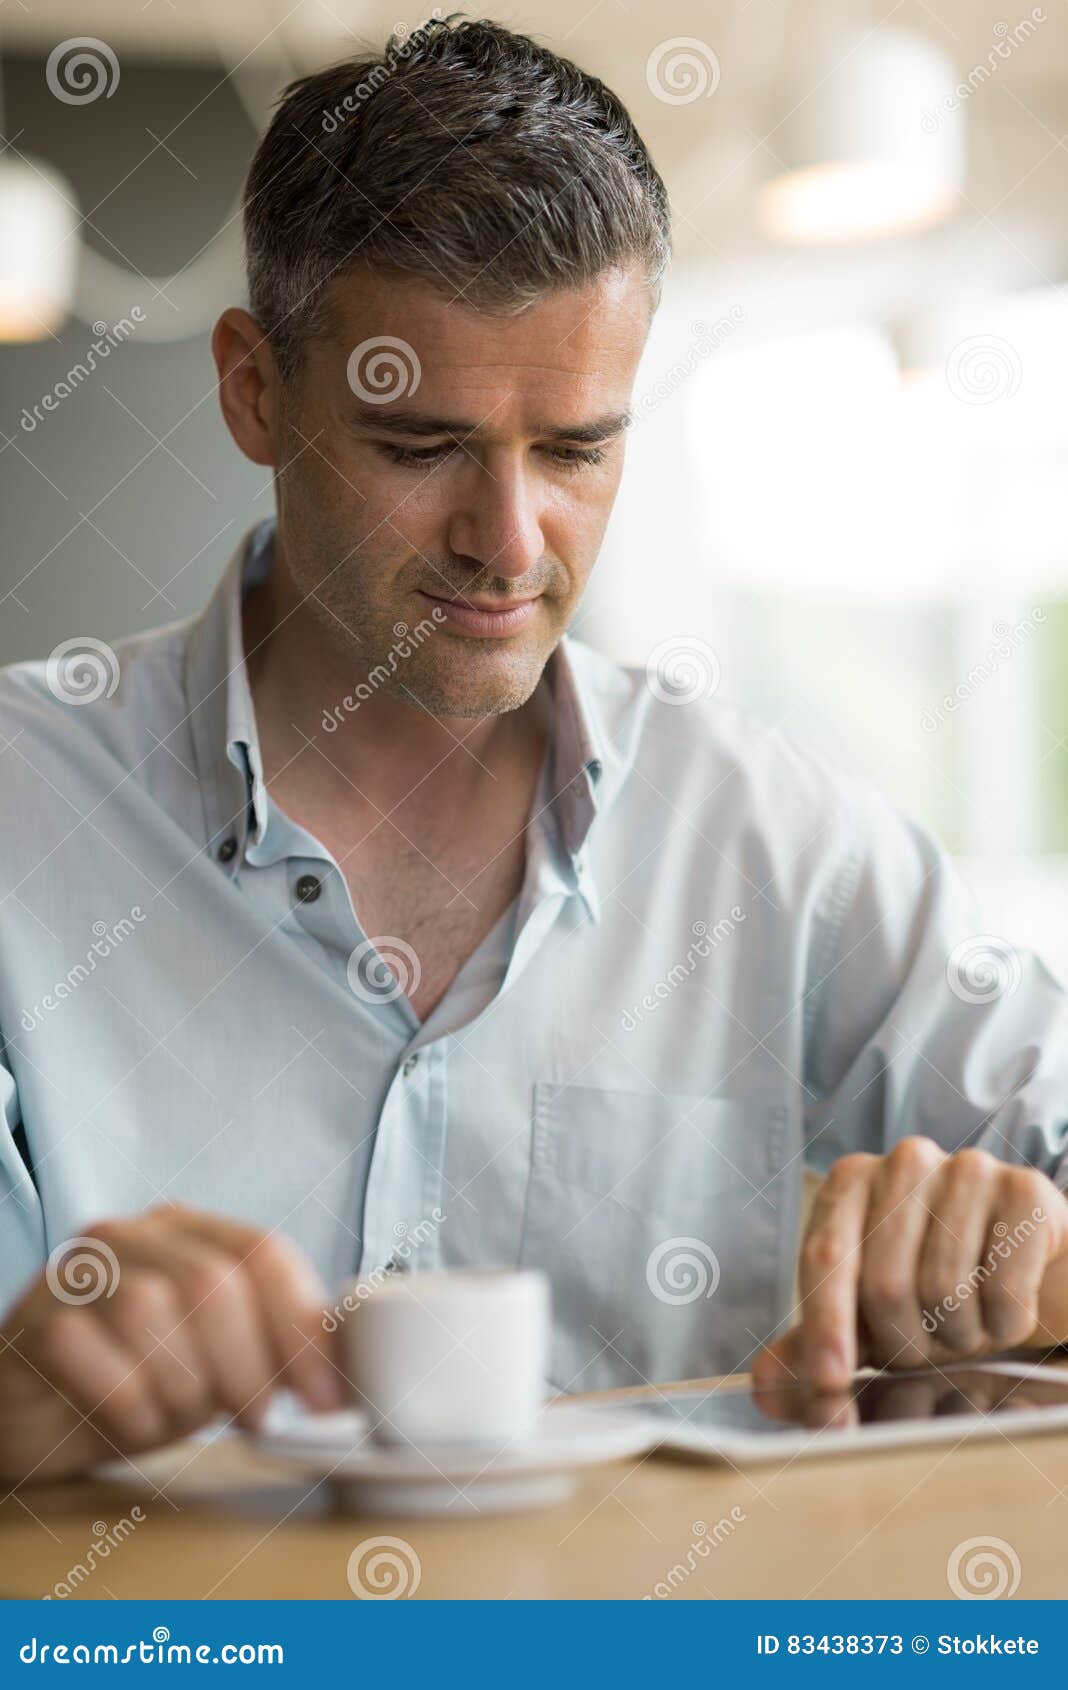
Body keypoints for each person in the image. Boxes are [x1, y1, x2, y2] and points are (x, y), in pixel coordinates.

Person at [2, 17, 1067, 1485]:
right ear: (255, 389)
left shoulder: (772, 836)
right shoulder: (25, 813)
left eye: (575, 450)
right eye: (419, 445)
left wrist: (1020, 1256)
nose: (509, 544)